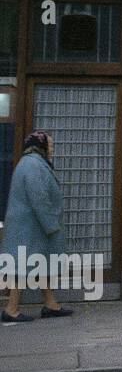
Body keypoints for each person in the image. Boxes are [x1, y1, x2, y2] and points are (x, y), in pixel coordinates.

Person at [1, 132, 74, 322]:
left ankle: (50, 304)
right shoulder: (33, 165)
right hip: (32, 227)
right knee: (23, 268)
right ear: (39, 146)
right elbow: (39, 197)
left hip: (30, 226)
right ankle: (11, 309)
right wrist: (51, 224)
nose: (52, 149)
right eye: (49, 145)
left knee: (38, 265)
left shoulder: (30, 163)